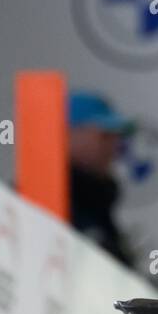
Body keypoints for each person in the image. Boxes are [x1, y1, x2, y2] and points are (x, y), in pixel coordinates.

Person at [67, 90, 136, 268]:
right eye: (105, 135)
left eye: (116, 137)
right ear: (69, 133)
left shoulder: (98, 203)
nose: (114, 145)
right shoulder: (35, 199)